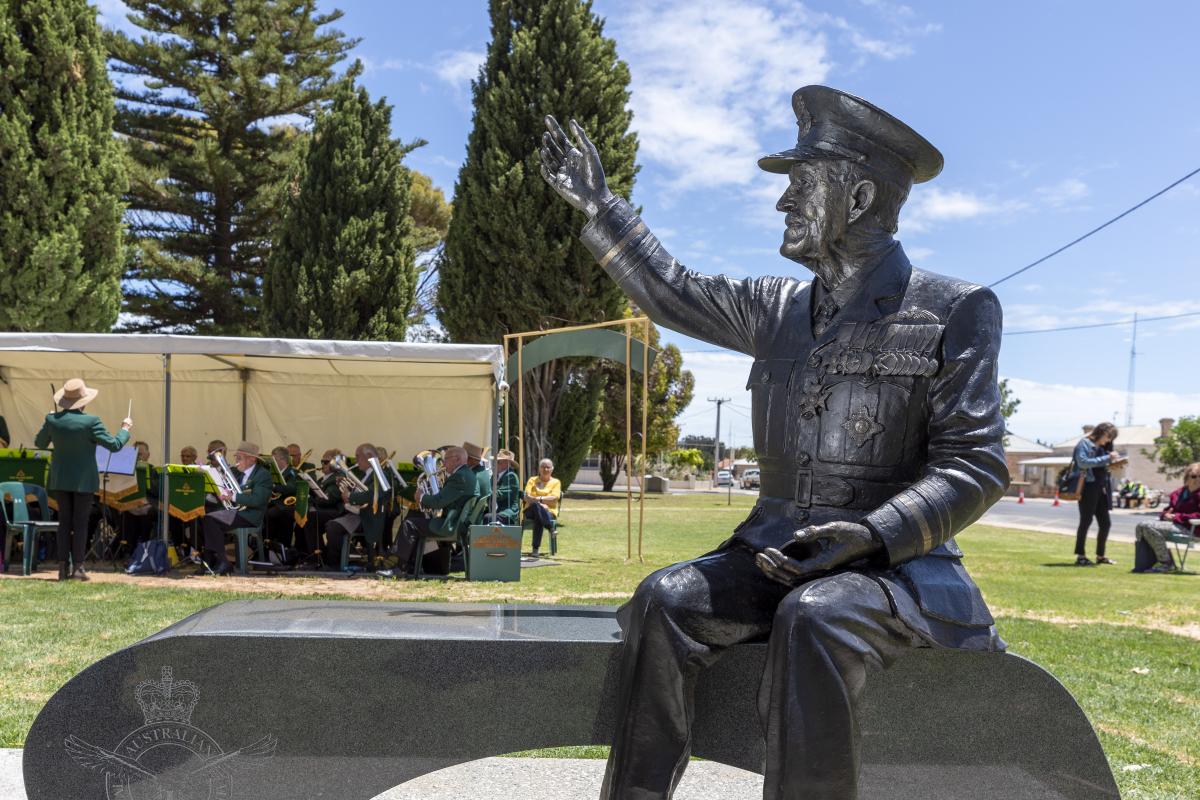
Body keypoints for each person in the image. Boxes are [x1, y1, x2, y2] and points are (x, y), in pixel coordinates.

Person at [539, 85, 1008, 800]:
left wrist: (873, 534)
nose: (784, 203)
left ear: (855, 198)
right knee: (666, 599)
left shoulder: (954, 309)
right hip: (774, 553)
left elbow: (975, 462)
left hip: (891, 568)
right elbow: (672, 289)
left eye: (800, 185)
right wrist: (602, 210)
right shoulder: (775, 309)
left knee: (816, 617)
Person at [34, 378, 132, 581]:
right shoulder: (91, 421)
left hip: (60, 479)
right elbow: (114, 445)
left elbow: (40, 443)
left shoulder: (52, 420)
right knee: (80, 524)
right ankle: (78, 568)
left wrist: (50, 421)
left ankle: (62, 567)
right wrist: (125, 429)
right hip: (84, 480)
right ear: (83, 401)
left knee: (64, 523)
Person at [395, 446, 477, 575]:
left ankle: (400, 568)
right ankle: (410, 565)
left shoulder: (460, 477)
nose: (443, 464)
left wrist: (421, 496)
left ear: (457, 459)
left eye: (446, 459)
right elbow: (444, 499)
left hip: (450, 525)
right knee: (416, 516)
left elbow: (439, 502)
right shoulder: (467, 474)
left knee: (409, 523)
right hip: (455, 521)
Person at [201, 441, 271, 575]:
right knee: (204, 518)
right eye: (236, 457)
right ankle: (210, 562)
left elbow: (257, 500)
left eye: (240, 457)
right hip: (235, 512)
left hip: (250, 515)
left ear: (252, 459)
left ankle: (222, 561)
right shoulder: (236, 472)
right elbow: (224, 488)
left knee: (211, 520)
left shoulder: (262, 475)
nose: (236, 460)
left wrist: (232, 497)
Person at [324, 444, 389, 571]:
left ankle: (335, 564)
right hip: (357, 513)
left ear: (369, 456)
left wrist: (351, 496)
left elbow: (372, 494)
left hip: (368, 517)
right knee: (330, 524)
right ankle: (336, 561)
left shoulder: (381, 473)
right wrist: (345, 486)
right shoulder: (365, 475)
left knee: (333, 527)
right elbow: (361, 492)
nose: (356, 460)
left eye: (358, 457)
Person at [1072, 422, 1126, 566]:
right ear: (1101, 432)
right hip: (1088, 487)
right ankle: (1080, 556)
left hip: (1101, 488)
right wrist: (1107, 459)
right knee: (1086, 521)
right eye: (1108, 437)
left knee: (1105, 523)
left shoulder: (1103, 447)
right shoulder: (1083, 443)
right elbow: (1083, 462)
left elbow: (1101, 465)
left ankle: (1100, 556)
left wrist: (1113, 462)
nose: (1108, 441)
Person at [1134, 463, 1200, 573]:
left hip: (1191, 529)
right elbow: (1167, 510)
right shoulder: (1178, 493)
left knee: (1145, 526)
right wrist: (1165, 515)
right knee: (1141, 526)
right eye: (1194, 476)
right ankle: (1144, 563)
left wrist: (1176, 517)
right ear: (1187, 477)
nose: (1198, 479)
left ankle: (1166, 563)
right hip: (1175, 526)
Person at [523, 458, 561, 558]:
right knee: (536, 507)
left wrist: (538, 499)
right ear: (539, 469)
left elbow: (554, 498)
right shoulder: (532, 480)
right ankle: (550, 528)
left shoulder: (556, 482)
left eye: (548, 467)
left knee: (538, 516)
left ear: (552, 469)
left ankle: (535, 549)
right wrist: (541, 503)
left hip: (549, 511)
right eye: (543, 467)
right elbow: (527, 497)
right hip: (530, 510)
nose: (545, 469)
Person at [485, 449, 522, 525]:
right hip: (497, 510)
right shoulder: (495, 476)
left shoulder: (511, 476)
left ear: (507, 463)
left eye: (498, 462)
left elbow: (500, 494)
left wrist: (485, 492)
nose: (494, 464)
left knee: (488, 518)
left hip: (508, 512)